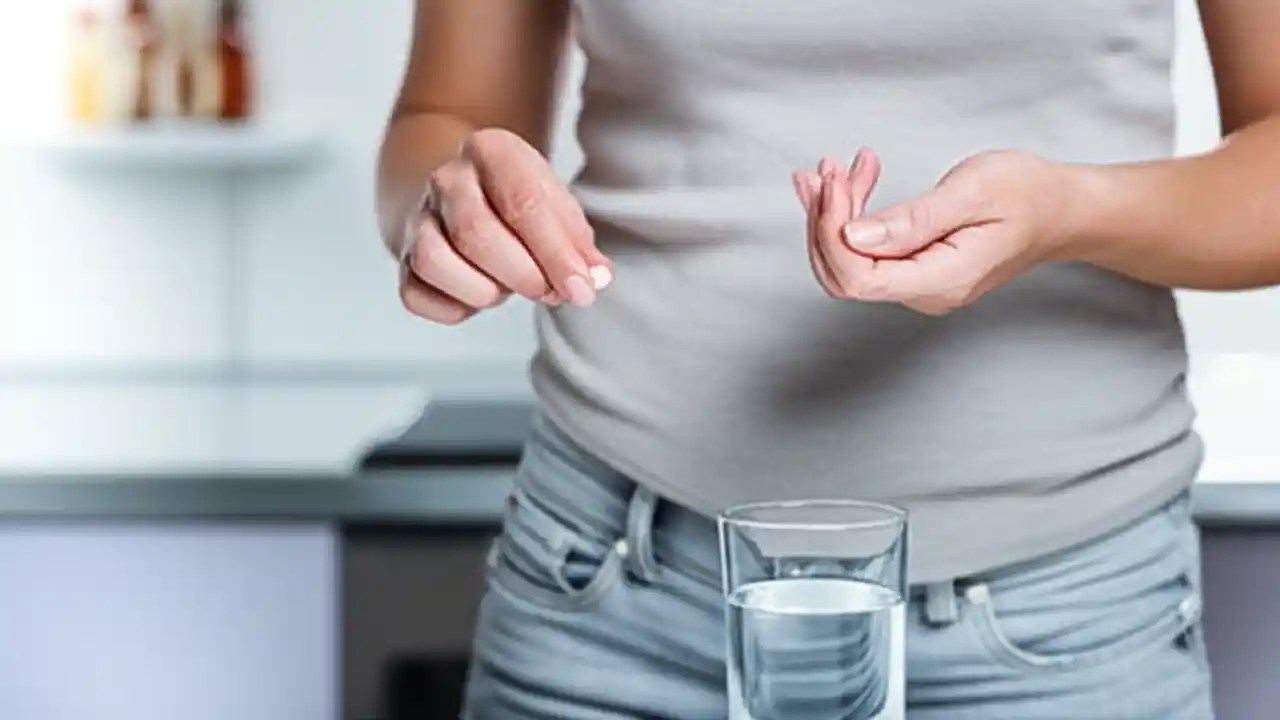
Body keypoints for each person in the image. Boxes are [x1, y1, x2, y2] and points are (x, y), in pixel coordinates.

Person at [378, 2, 1280, 717]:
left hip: (1069, 611)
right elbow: (441, 116)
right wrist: (453, 211)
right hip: (612, 590)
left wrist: (1070, 212)